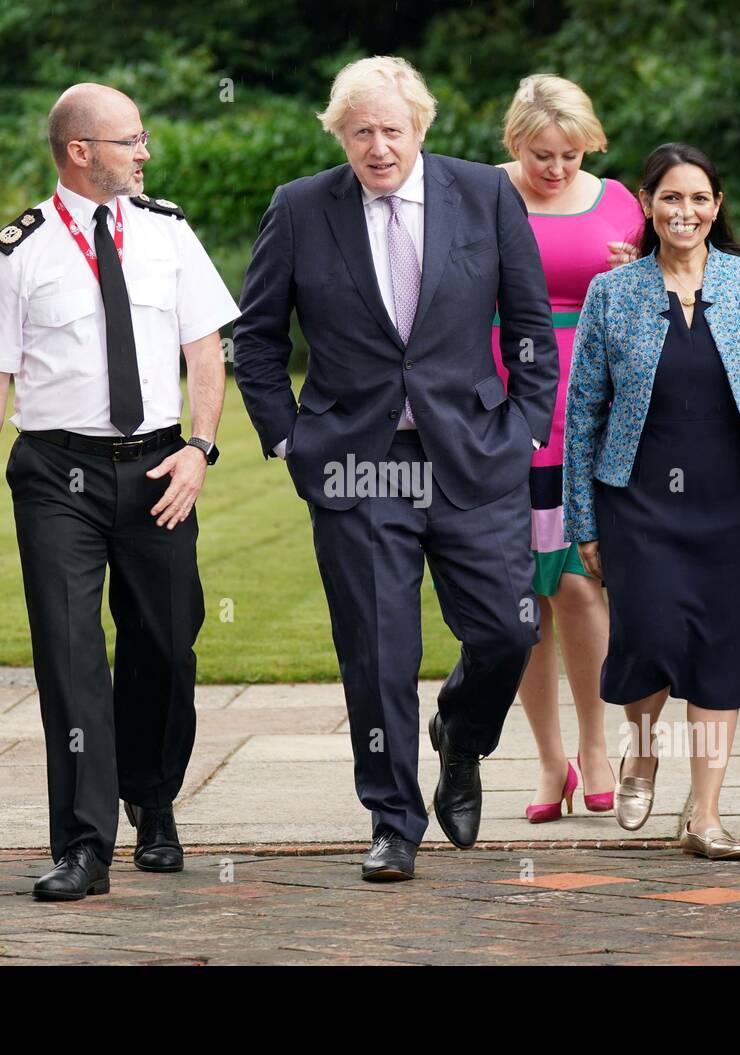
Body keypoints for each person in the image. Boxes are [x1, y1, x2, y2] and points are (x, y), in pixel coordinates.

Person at [234, 56, 558, 881]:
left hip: (474, 454)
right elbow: (258, 342)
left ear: (422, 126)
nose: (378, 146)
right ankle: (392, 821)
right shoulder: (301, 209)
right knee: (376, 651)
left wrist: (522, 425)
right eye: (360, 131)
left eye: (391, 129)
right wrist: (288, 440)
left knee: (508, 628)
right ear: (339, 135)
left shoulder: (484, 196)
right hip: (356, 464)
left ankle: (462, 731)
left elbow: (529, 325)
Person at [0, 83, 240, 900]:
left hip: (159, 467)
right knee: (71, 655)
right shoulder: (17, 250)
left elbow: (206, 349)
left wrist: (199, 448)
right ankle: (83, 844)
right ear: (81, 151)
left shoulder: (169, 233)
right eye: (131, 139)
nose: (144, 151)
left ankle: (153, 799)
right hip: (55, 476)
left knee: (166, 640)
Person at [563, 142, 740, 860]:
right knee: (647, 635)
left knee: (722, 653)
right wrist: (583, 518)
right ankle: (641, 753)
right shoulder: (612, 293)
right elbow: (582, 412)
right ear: (648, 204)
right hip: (639, 502)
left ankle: (705, 814)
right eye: (671, 198)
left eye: (700, 198)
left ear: (717, 206)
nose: (686, 211)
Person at [490, 74, 643, 823]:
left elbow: (664, 295)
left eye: (571, 154)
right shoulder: (481, 194)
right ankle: (549, 758)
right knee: (518, 594)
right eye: (541, 154)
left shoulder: (621, 202)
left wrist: (632, 280)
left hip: (590, 407)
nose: (555, 168)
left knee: (579, 581)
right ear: (515, 142)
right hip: (501, 406)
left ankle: (594, 746)